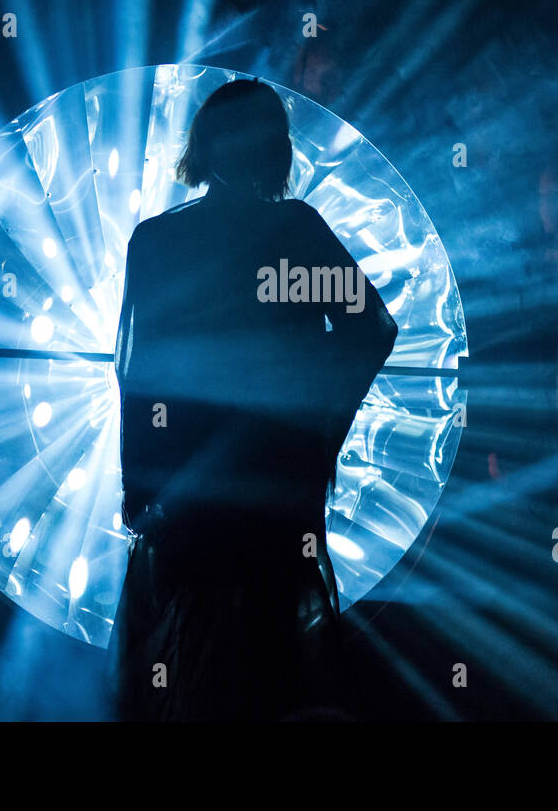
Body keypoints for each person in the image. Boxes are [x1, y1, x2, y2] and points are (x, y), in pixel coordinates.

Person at [110, 79, 397, 720]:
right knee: (266, 657)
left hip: (191, 476)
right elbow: (372, 331)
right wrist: (318, 427)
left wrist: (140, 481)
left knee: (187, 660)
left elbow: (138, 372)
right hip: (271, 470)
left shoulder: (157, 239)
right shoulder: (292, 228)